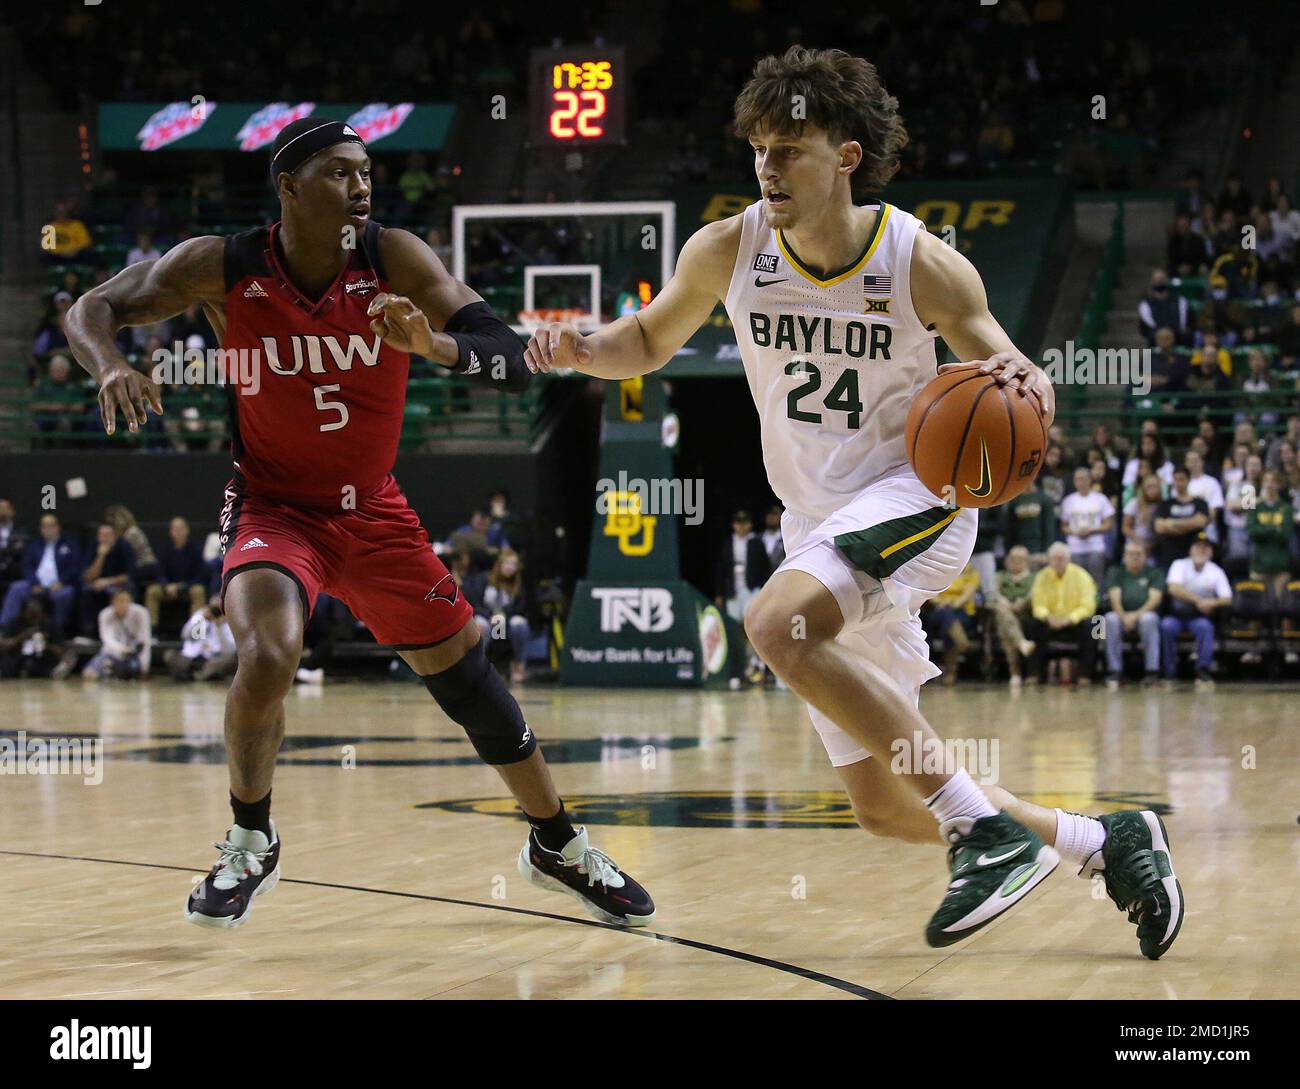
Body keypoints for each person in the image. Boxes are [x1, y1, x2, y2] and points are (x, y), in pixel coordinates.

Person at [523, 46, 1180, 957]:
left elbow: (1015, 367)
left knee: (775, 623)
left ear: (847, 156)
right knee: (878, 801)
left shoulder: (920, 262)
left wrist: (1025, 401)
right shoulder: (728, 247)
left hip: (920, 493)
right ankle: (1102, 841)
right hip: (818, 520)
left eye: (790, 145)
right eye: (758, 145)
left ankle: (980, 833)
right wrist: (570, 348)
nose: (767, 164)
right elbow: (646, 338)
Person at [66, 117, 655, 930]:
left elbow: (511, 356)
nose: (361, 185)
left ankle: (555, 838)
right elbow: (92, 306)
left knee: (469, 681)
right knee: (269, 650)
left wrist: (433, 344)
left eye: (366, 171)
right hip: (275, 504)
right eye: (340, 172)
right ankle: (250, 835)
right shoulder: (224, 264)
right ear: (290, 188)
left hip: (372, 508)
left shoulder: (394, 257)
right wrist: (114, 363)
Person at [1025, 542, 1099, 687]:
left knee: (1096, 625)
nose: (1057, 562)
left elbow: (1089, 605)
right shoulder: (1042, 577)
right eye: (1054, 559)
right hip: (1050, 623)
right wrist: (1048, 617)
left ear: (1068, 559)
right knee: (1031, 624)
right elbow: (1037, 604)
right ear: (1049, 560)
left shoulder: (1081, 576)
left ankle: (1085, 674)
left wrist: (1070, 619)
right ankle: (1034, 674)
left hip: (1075, 623)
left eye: (1061, 558)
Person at [1161, 538, 1232, 688]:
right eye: (1198, 547)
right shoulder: (1179, 564)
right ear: (1190, 550)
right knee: (1166, 626)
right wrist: (1198, 600)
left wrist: (1212, 602)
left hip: (1199, 617)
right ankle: (1169, 672)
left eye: (1205, 548)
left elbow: (1227, 598)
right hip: (1177, 615)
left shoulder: (1216, 571)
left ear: (1211, 553)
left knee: (1205, 628)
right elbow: (1173, 588)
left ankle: (1203, 671)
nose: (1201, 550)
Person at [715, 509, 772, 687]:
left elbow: (766, 568)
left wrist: (762, 590)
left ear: (750, 524)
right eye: (738, 523)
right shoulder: (727, 543)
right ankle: (737, 672)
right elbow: (721, 570)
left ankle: (756, 669)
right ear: (734, 525)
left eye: (745, 523)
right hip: (733, 592)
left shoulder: (756, 543)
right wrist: (720, 594)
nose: (741, 526)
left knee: (752, 629)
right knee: (735, 631)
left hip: (751, 590)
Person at [0, 513, 80, 637]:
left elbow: (75, 568)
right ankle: (5, 628)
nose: (48, 529)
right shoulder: (34, 545)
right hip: (35, 583)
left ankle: (55, 632)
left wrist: (62, 582)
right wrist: (35, 583)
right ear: (41, 529)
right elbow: (26, 566)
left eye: (51, 526)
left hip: (59, 585)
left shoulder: (69, 545)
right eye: (44, 526)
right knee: (16, 588)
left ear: (57, 527)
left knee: (65, 594)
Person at [1102, 540, 1164, 688]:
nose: (1135, 557)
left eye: (1139, 554)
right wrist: (1124, 617)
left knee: (1149, 620)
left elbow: (1155, 599)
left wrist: (1135, 616)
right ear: (1124, 556)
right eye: (1131, 554)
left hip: (1144, 614)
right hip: (1121, 614)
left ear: (1145, 556)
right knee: (1107, 619)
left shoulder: (1154, 573)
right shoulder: (1115, 571)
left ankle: (1152, 671)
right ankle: (1114, 671)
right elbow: (1114, 597)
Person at [474, 549, 533, 685]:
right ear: (499, 564)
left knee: (518, 624)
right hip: (485, 615)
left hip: (506, 618)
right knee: (482, 624)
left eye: (513, 564)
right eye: (507, 563)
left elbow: (520, 607)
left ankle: (517, 664)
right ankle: (476, 664)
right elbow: (475, 602)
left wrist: (502, 614)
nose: (510, 567)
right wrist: (490, 615)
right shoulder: (484, 579)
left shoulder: (518, 584)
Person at [922, 561, 979, 686]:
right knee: (946, 615)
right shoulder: (936, 569)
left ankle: (948, 670)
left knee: (948, 623)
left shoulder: (970, 573)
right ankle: (953, 666)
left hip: (961, 611)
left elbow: (967, 595)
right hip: (937, 611)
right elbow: (929, 591)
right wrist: (941, 602)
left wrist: (951, 602)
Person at [146, 516, 209, 627]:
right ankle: (152, 630)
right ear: (171, 532)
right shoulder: (164, 549)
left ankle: (197, 632)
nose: (178, 532)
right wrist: (166, 585)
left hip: (188, 587)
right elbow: (159, 572)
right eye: (175, 529)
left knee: (199, 591)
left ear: (187, 530)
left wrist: (182, 586)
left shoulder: (195, 550)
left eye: (181, 528)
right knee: (152, 591)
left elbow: (200, 575)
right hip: (167, 588)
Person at [988, 545, 1037, 687]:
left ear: (1027, 561)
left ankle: (1015, 673)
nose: (1015, 561)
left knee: (1005, 625)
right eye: (1012, 558)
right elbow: (994, 594)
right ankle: (1021, 643)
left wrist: (1022, 603)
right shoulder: (1000, 576)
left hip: (1025, 615)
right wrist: (1005, 604)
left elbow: (1033, 595)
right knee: (1002, 613)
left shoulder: (1034, 578)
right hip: (1003, 614)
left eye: (1020, 559)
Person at [83, 586, 152, 680]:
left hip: (134, 654)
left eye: (126, 601)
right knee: (89, 673)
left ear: (131, 601)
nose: (123, 604)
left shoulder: (141, 613)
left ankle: (112, 671)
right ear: (113, 602)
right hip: (112, 652)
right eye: (119, 601)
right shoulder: (105, 614)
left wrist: (144, 667)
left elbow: (144, 640)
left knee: (133, 669)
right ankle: (107, 669)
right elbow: (106, 638)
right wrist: (122, 649)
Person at [1060, 465, 1114, 582]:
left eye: (1083, 478)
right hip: (1075, 548)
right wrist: (1075, 531)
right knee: (1076, 582)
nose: (1080, 482)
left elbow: (1108, 524)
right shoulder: (1068, 501)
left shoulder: (1100, 499)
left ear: (1090, 479)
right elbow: (1064, 526)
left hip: (1096, 547)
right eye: (1077, 479)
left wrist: (1091, 531)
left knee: (1096, 581)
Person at [1246, 470, 1295, 597]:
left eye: (1273, 481)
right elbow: (1251, 531)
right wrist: (1273, 528)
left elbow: (1286, 534)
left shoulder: (1287, 508)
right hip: (1258, 564)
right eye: (1266, 481)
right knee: (1258, 606)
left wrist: (1263, 529)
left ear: (1279, 484)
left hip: (1280, 565)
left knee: (1279, 605)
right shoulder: (1254, 506)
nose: (1269, 484)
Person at [167, 596, 237, 681]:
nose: (216, 612)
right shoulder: (200, 615)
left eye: (219, 609)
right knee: (169, 655)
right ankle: (198, 674)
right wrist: (203, 619)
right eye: (213, 609)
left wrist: (220, 626)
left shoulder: (228, 620)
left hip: (213, 659)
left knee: (229, 660)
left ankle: (197, 675)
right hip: (191, 657)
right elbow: (185, 635)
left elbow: (228, 650)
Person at [1152, 467, 1210, 568]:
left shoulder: (1200, 503)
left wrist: (1171, 523)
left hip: (1194, 555)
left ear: (1188, 480)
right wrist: (1189, 524)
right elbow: (1159, 527)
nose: (1178, 483)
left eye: (1181, 479)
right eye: (1176, 480)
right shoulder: (1166, 504)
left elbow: (1200, 522)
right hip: (1169, 555)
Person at [1002, 475, 1056, 566]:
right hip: (1018, 550)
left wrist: (1045, 550)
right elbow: (1009, 528)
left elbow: (1049, 527)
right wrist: (1009, 551)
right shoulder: (1014, 500)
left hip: (1038, 549)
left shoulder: (1044, 498)